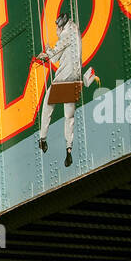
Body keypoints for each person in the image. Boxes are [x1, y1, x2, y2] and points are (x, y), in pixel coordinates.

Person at [35, 10, 96, 168]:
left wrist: (47, 51)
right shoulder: (76, 31)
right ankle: (69, 149)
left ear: (62, 25)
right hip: (75, 79)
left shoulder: (67, 33)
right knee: (69, 115)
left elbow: (55, 55)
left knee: (48, 105)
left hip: (63, 78)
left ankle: (42, 138)